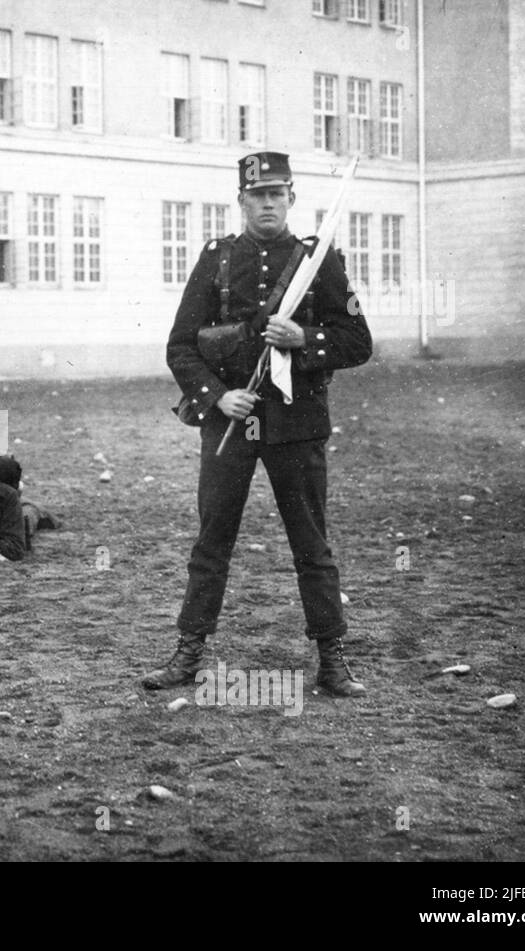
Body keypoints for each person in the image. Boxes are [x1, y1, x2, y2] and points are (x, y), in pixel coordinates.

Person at [142, 151, 373, 697]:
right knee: (211, 542)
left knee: (311, 544)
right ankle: (189, 653)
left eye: (276, 195)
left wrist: (304, 341)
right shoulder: (217, 258)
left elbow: (358, 342)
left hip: (297, 424)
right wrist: (218, 398)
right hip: (230, 424)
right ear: (241, 202)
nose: (266, 204)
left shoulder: (319, 261)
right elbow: (180, 346)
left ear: (291, 199)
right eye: (256, 196)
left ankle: (333, 660)